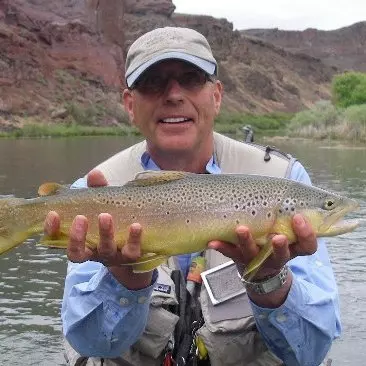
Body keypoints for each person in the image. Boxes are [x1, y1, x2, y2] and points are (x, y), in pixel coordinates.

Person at [45, 27, 340, 366]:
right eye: (153, 82)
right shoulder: (95, 191)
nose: (173, 94)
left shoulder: (284, 180)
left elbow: (310, 354)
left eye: (190, 78)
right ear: (129, 104)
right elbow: (92, 344)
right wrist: (125, 279)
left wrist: (269, 282)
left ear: (216, 95)